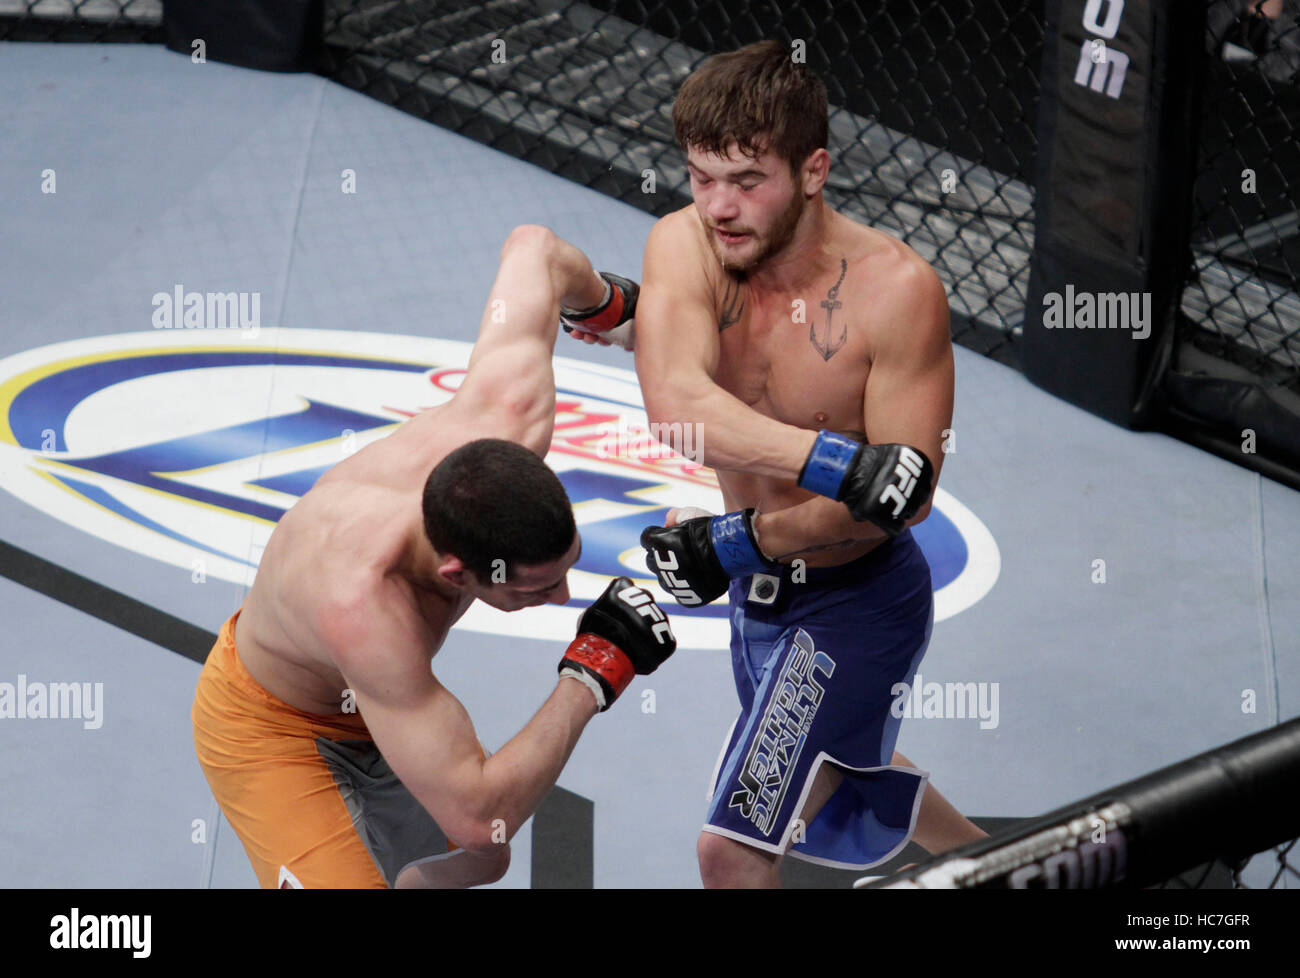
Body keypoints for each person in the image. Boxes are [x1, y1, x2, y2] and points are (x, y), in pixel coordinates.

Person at [568, 40, 988, 888]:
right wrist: (830, 470)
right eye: (700, 177)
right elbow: (680, 410)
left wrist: (739, 543)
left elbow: (899, 499)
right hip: (758, 610)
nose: (718, 206)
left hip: (857, 604)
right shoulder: (685, 243)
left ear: (813, 170)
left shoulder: (897, 292)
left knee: (731, 849)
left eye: (747, 180)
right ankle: (1053, 866)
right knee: (837, 762)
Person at [192, 225, 676, 889]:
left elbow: (534, 248)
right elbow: (485, 814)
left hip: (368, 702)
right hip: (273, 731)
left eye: (565, 570)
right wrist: (592, 672)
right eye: (537, 589)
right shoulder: (363, 604)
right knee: (484, 831)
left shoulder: (510, 411)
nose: (564, 598)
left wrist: (607, 309)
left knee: (480, 857)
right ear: (457, 574)